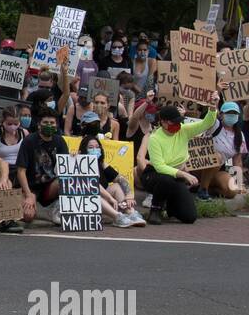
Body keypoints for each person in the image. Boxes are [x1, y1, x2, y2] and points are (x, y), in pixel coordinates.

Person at [143, 95, 220, 225]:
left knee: (189, 217)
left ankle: (171, 208)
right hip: (154, 175)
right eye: (174, 122)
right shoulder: (155, 138)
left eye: (179, 121)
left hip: (176, 176)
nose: (178, 125)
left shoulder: (183, 130)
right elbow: (159, 166)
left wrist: (213, 108)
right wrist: (184, 174)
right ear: (164, 122)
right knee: (165, 178)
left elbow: (206, 124)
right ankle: (155, 210)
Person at [15, 106, 68, 226]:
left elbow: (66, 169)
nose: (49, 125)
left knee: (64, 180)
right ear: (39, 125)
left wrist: (73, 158)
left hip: (50, 187)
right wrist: (28, 195)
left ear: (56, 125)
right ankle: (45, 213)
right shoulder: (29, 141)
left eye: (52, 123)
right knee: (27, 216)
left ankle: (58, 206)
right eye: (45, 122)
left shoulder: (60, 141)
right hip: (30, 187)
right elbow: (21, 171)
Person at [79, 135, 146, 227]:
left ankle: (130, 212)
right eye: (91, 147)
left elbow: (121, 179)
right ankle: (117, 217)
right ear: (83, 150)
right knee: (96, 196)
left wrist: (129, 195)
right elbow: (93, 184)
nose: (95, 149)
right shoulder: (80, 163)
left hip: (104, 199)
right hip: (87, 199)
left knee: (116, 186)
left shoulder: (102, 164)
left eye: (97, 147)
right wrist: (110, 198)